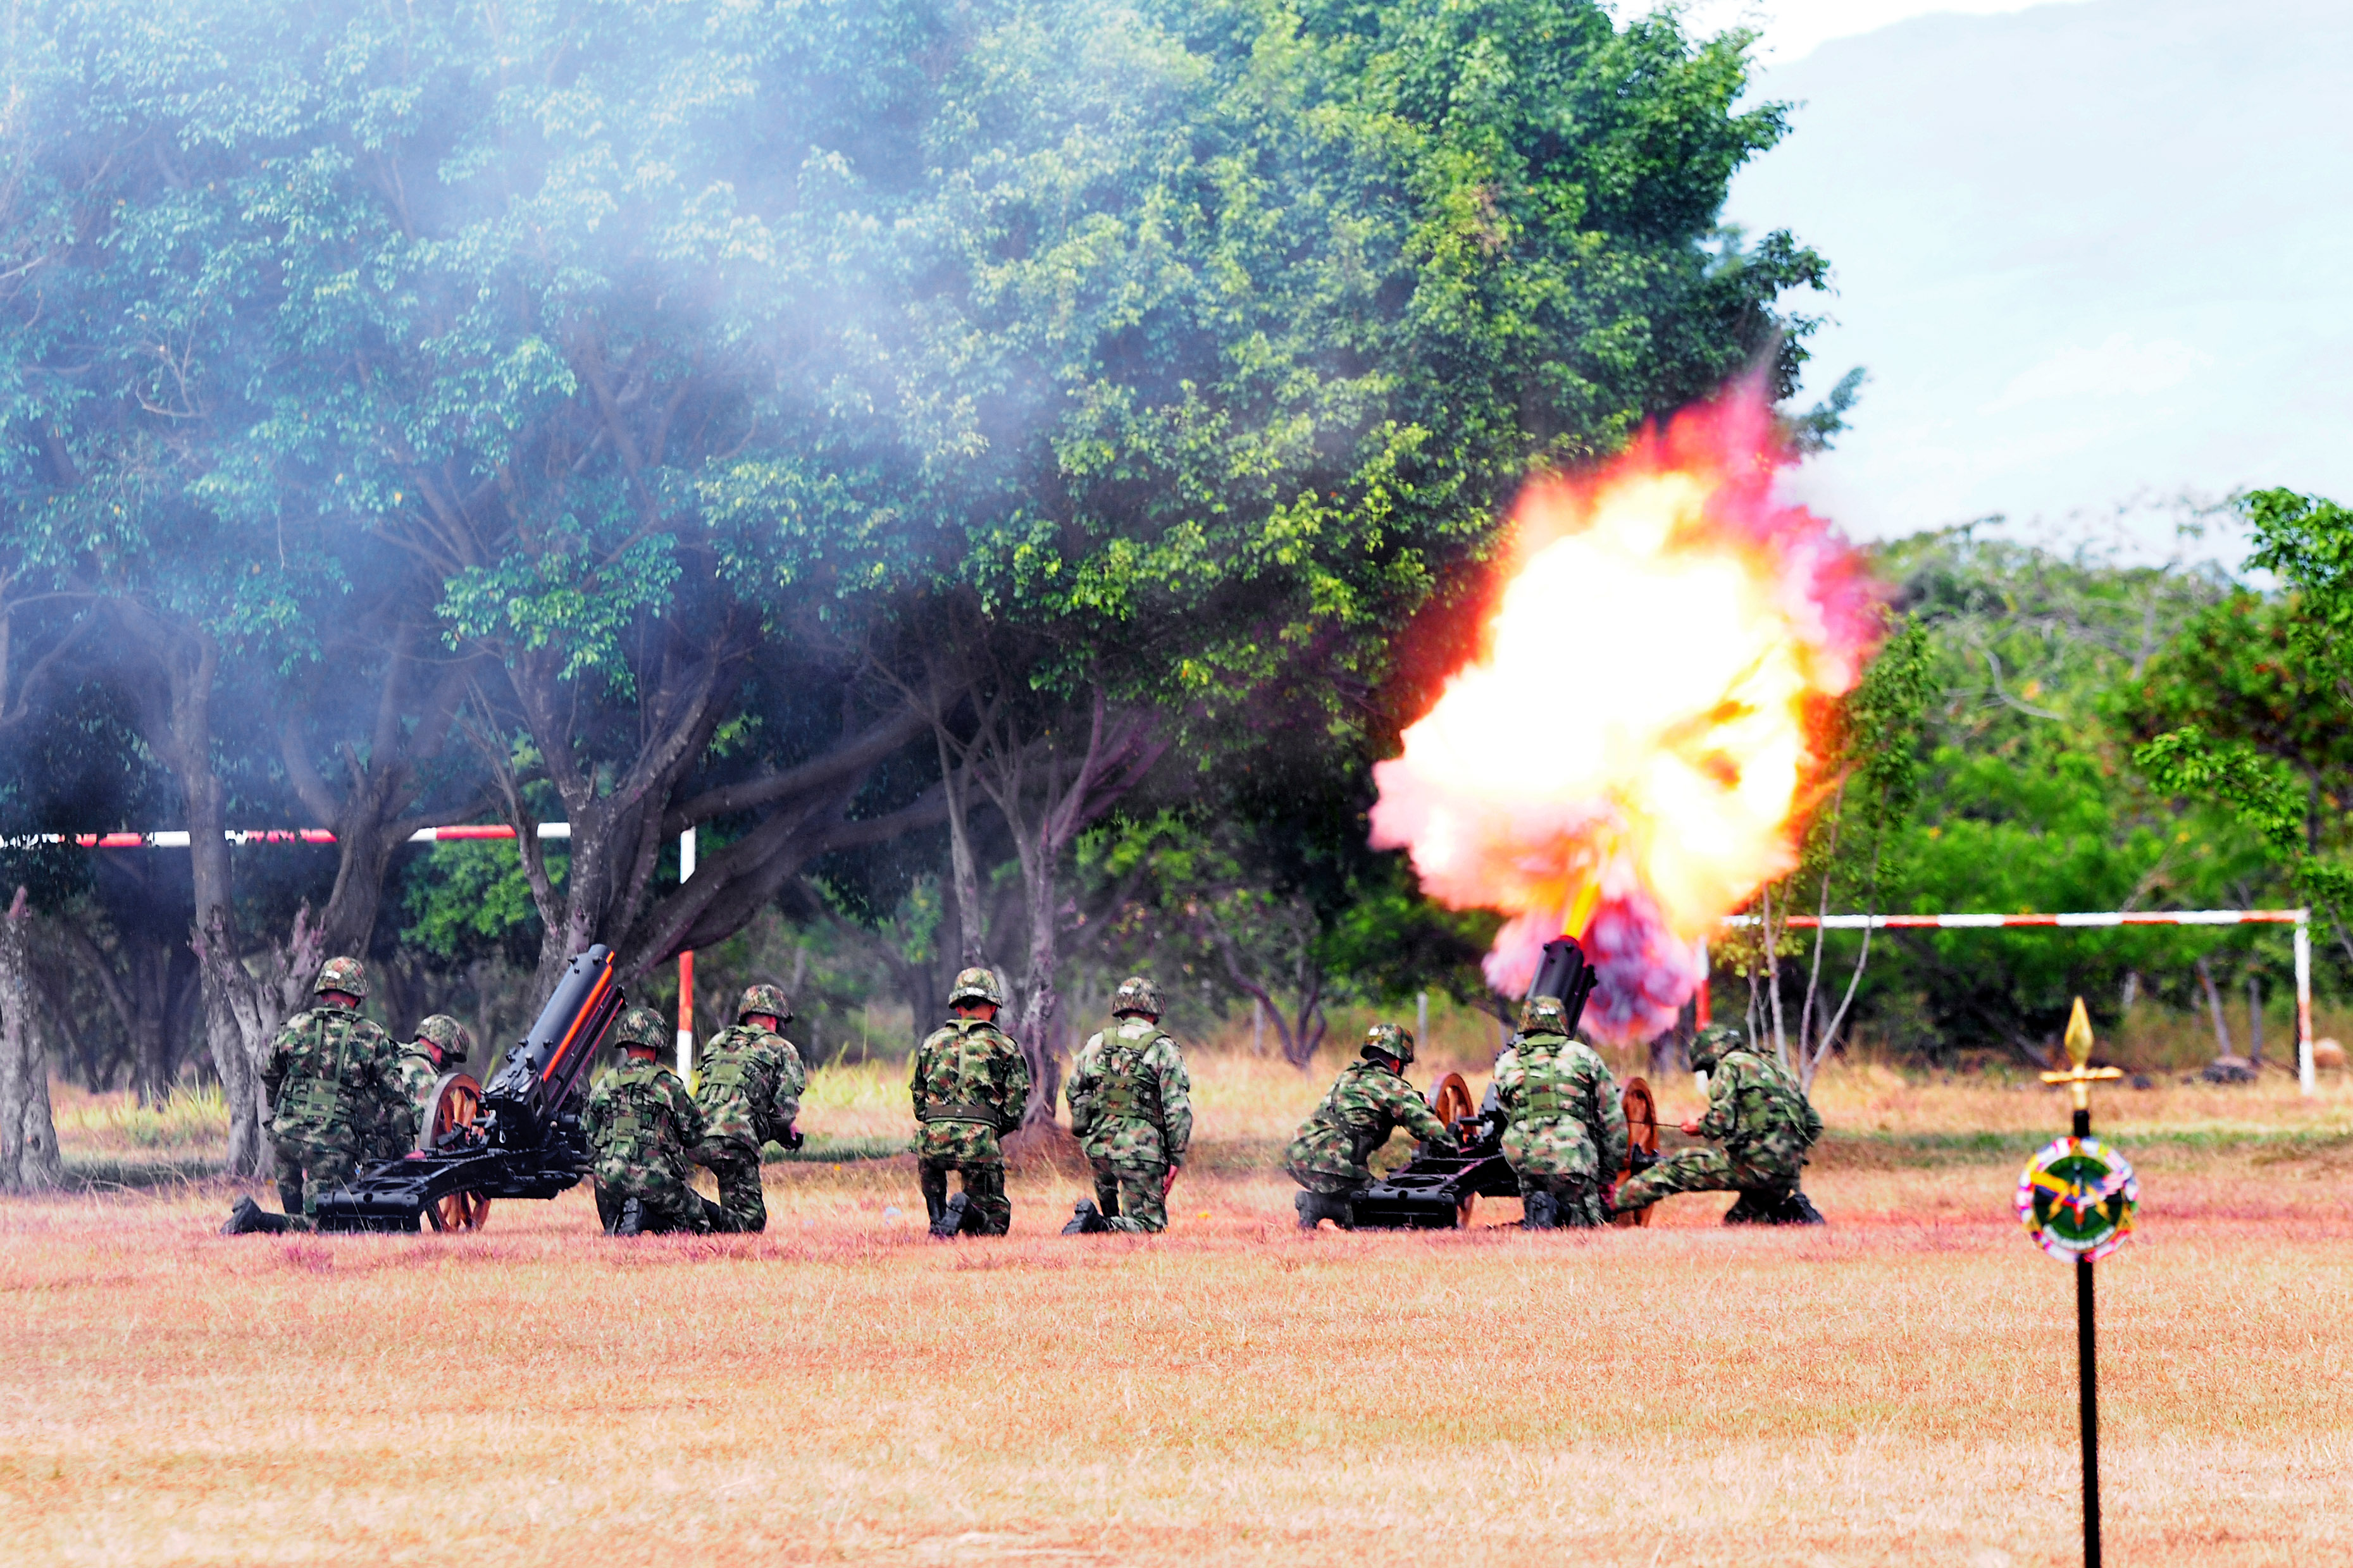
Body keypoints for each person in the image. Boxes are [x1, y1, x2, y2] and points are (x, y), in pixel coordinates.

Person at [223, 956, 412, 1235]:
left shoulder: (295, 1026)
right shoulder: (370, 1036)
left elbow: (271, 1077)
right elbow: (395, 1101)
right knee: (326, 1226)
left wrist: (282, 1118)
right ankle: (256, 1219)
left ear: (323, 992)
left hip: (285, 1139)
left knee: (298, 1219)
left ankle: (280, 1227)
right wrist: (408, 1152)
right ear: (358, 994)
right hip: (330, 1144)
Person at [1610, 1024, 1826, 1225]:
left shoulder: (1730, 1065)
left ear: (1713, 1053)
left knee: (1674, 1169)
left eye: (1707, 1068)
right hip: (1787, 1173)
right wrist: (1785, 1152)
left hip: (1754, 1164)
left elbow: (1719, 1121)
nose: (1710, 1074)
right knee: (1740, 1222)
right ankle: (1796, 1216)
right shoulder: (1777, 1068)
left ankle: (1605, 1207)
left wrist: (1699, 1126)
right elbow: (1814, 1124)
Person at [1282, 1023, 1457, 1230]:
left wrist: (1415, 1100)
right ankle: (1319, 1205)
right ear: (1395, 1063)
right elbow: (1429, 1128)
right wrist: (1453, 1148)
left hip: (1298, 1154)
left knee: (1356, 1195)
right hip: (1333, 1162)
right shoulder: (1392, 1085)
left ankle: (1319, 1203)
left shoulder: (1348, 1076)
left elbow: (1368, 1104)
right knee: (1384, 1210)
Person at [1062, 975, 1193, 1235]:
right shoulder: (1164, 1048)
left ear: (1121, 1008)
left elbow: (1074, 1090)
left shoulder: (1097, 1042)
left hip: (1098, 1149)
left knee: (1116, 1224)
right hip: (1140, 1151)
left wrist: (1088, 1128)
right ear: (1155, 1010)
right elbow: (1177, 1108)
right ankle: (1100, 1223)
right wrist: (1176, 1156)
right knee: (1148, 1226)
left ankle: (1103, 1221)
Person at [910, 966, 1031, 1239]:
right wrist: (989, 1129)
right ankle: (965, 1212)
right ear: (992, 1007)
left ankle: (939, 1220)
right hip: (979, 1143)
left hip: (934, 1141)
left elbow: (919, 1102)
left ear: (958, 1007)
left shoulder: (932, 1043)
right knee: (993, 1229)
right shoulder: (1004, 1046)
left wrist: (939, 1122)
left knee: (929, 1154)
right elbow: (1015, 1109)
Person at [582, 1005, 723, 1235]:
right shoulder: (667, 1084)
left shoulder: (604, 1084)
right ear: (657, 1043)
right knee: (700, 1226)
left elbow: (590, 1135)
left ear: (625, 1044)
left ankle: (625, 1216)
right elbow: (695, 1136)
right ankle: (645, 1216)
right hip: (655, 1183)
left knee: (622, 1224)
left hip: (608, 1184)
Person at [1492, 994, 1628, 1228]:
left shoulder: (1506, 1062)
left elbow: (1508, 1112)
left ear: (1526, 1023)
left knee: (1539, 1219)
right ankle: (1567, 1218)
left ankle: (1544, 1217)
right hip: (1572, 1159)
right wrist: (1607, 1176)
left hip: (1526, 1160)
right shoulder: (1584, 1056)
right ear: (1561, 1023)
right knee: (1582, 1227)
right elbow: (1613, 1124)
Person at [689, 982, 807, 1233]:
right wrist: (779, 1133)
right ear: (776, 1020)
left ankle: (675, 1211)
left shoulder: (718, 1041)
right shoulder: (782, 1049)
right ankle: (699, 1211)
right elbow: (784, 1112)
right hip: (735, 1142)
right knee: (749, 1223)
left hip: (695, 1135)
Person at [371, 1014, 475, 1160]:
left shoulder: (393, 1059)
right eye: (451, 1058)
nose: (450, 1065)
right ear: (442, 1049)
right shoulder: (424, 1074)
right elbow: (429, 1127)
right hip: (393, 1157)